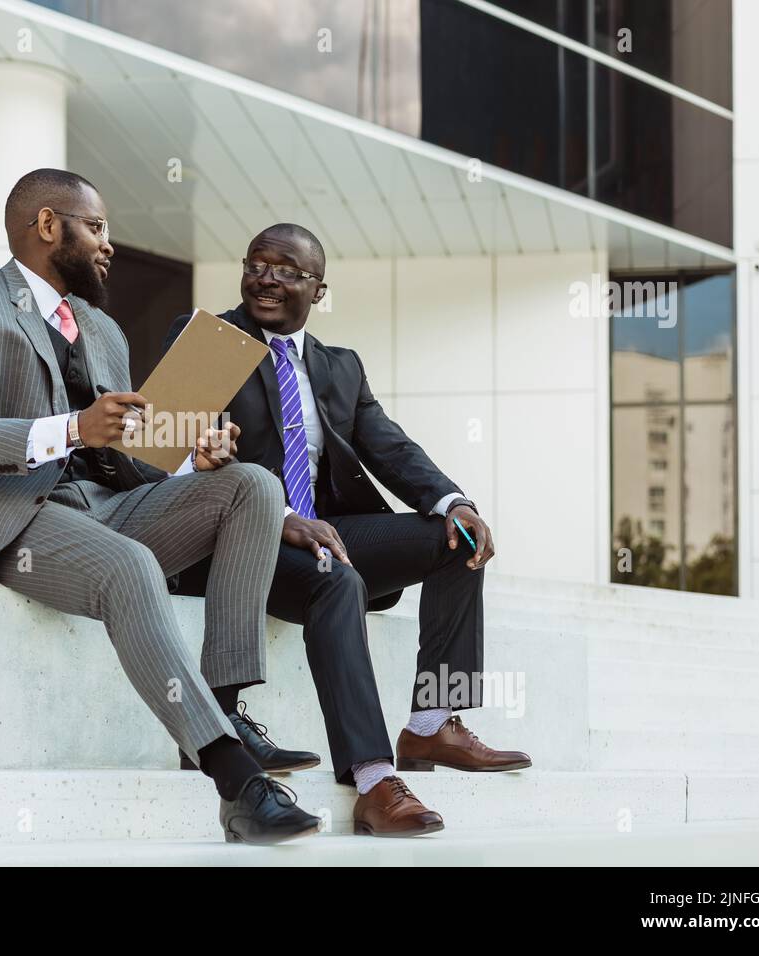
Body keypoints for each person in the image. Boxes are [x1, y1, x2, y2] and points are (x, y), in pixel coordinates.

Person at [0, 172, 322, 844]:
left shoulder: (102, 329)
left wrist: (189, 457)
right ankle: (236, 781)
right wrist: (71, 427)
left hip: (101, 507)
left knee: (253, 485)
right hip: (5, 515)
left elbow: (123, 456)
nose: (109, 245)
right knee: (129, 567)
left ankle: (224, 706)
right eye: (95, 227)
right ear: (46, 227)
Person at [163, 223, 531, 837]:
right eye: (257, 264)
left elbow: (390, 448)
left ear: (319, 288)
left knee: (456, 543)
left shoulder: (339, 368)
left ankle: (432, 723)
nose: (266, 278)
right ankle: (371, 779)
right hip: (234, 537)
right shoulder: (209, 341)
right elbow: (158, 454)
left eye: (286, 270)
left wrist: (454, 501)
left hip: (321, 535)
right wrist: (237, 484)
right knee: (339, 582)